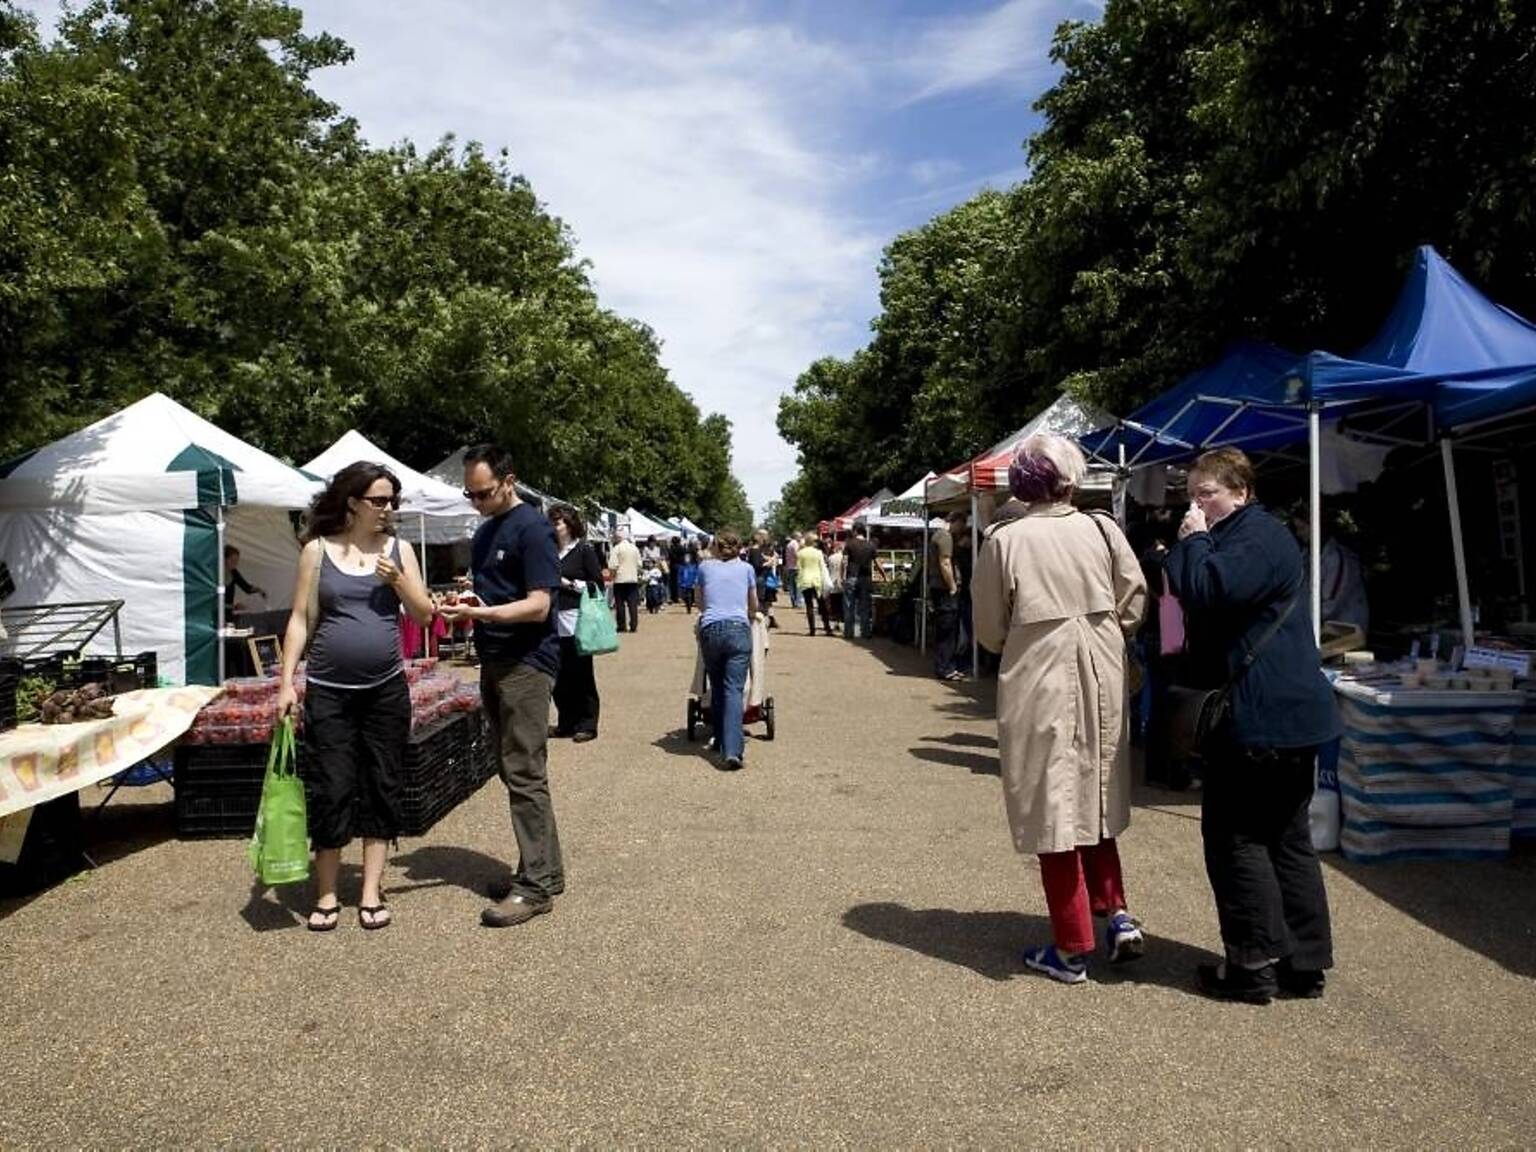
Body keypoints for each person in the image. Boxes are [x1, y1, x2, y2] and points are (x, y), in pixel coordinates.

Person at [973, 434, 1149, 984]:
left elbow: (989, 629)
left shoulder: (1004, 540)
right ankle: (1116, 913)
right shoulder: (1102, 528)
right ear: (1070, 479)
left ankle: (1072, 946)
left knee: (1051, 803)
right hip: (1101, 666)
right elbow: (1135, 597)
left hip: (1039, 672)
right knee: (1095, 793)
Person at [1167, 448, 1338, 1003]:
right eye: (1191, 495)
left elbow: (1207, 590)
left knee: (1238, 837)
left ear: (1239, 491)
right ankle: (1302, 961)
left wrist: (1191, 541)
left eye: (1206, 494)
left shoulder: (1255, 537)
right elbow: (1190, 595)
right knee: (1287, 836)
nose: (1196, 505)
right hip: (1284, 711)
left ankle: (1254, 964)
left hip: (1262, 715)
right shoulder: (1251, 536)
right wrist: (1191, 547)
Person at [275, 462, 434, 932]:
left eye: (392, 502)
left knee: (383, 784)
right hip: (328, 691)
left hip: (385, 689)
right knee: (332, 786)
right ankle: (325, 893)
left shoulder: (400, 551)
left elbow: (424, 615)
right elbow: (301, 620)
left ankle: (370, 891)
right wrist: (287, 681)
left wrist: (398, 580)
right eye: (379, 501)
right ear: (352, 502)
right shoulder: (316, 552)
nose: (387, 509)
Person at [439, 444, 565, 928]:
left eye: (483, 493)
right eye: (470, 494)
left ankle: (534, 887)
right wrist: (469, 600)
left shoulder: (533, 528)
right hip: (494, 658)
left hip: (526, 663)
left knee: (524, 770)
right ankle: (542, 871)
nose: (476, 501)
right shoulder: (488, 529)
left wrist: (479, 612)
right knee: (514, 768)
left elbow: (538, 606)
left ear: (509, 481)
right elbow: (494, 592)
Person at [695, 528, 759, 771]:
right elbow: (752, 603)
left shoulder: (704, 568)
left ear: (715, 546)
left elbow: (700, 603)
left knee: (718, 686)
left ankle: (721, 738)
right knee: (734, 689)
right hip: (738, 629)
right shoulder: (747, 569)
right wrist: (752, 614)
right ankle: (732, 750)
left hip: (711, 629)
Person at [548, 504, 604, 743]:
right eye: (551, 522)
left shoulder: (584, 551)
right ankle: (566, 721)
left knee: (581, 673)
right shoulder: (549, 551)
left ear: (570, 525)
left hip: (577, 619)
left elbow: (598, 586)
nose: (554, 526)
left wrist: (569, 583)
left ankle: (587, 723)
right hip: (553, 619)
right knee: (559, 675)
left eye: (558, 522)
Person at [928, 515, 963, 680]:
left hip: (937, 587)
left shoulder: (937, 535)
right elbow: (945, 562)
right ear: (956, 521)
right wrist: (953, 586)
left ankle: (944, 666)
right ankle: (945, 668)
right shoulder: (945, 537)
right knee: (947, 629)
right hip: (944, 589)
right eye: (961, 525)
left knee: (943, 629)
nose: (961, 530)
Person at [842, 526, 883, 639]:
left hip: (851, 576)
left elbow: (844, 562)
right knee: (864, 606)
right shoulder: (871, 545)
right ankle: (865, 632)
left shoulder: (849, 544)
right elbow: (878, 563)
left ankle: (849, 633)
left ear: (855, 531)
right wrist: (884, 576)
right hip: (866, 578)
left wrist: (842, 576)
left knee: (849, 606)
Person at [796, 531, 833, 635]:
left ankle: (812, 630)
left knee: (809, 605)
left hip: (805, 580)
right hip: (817, 580)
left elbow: (799, 568)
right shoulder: (818, 553)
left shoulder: (800, 553)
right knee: (822, 604)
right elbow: (822, 567)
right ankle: (827, 628)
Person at [609, 531, 642, 634]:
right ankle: (633, 625)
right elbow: (639, 564)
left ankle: (621, 625)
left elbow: (612, 565)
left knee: (620, 604)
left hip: (620, 579)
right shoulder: (634, 548)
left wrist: (612, 576)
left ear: (618, 538)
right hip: (632, 579)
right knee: (633, 603)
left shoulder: (616, 549)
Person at [224, 545, 265, 613]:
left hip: (228, 613)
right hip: (215, 614)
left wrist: (259, 590)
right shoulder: (214, 575)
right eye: (232, 560)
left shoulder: (234, 573)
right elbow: (212, 602)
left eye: (236, 561)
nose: (235, 563)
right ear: (224, 559)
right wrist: (234, 607)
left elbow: (246, 587)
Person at [825, 539, 846, 625]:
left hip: (832, 582)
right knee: (842, 604)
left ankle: (835, 621)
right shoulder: (843, 558)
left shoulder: (830, 558)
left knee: (834, 604)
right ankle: (840, 621)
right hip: (842, 584)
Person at [678, 544, 701, 614]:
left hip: (691, 583)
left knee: (689, 596)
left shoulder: (694, 566)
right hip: (684, 584)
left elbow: (696, 574)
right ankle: (687, 604)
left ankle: (689, 608)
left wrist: (695, 581)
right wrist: (679, 582)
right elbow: (680, 574)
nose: (686, 558)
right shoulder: (682, 566)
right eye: (685, 557)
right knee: (684, 596)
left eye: (688, 557)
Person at [783, 533, 801, 610]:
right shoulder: (795, 544)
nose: (800, 538)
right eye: (800, 536)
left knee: (791, 586)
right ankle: (797, 602)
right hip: (796, 567)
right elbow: (797, 555)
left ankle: (793, 602)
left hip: (789, 567)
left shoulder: (788, 545)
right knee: (797, 586)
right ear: (796, 537)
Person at [668, 535, 685, 604]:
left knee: (673, 582)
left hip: (673, 566)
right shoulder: (681, 547)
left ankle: (674, 597)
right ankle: (679, 597)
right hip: (680, 565)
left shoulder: (671, 548)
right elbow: (684, 556)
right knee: (679, 582)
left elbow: (671, 556)